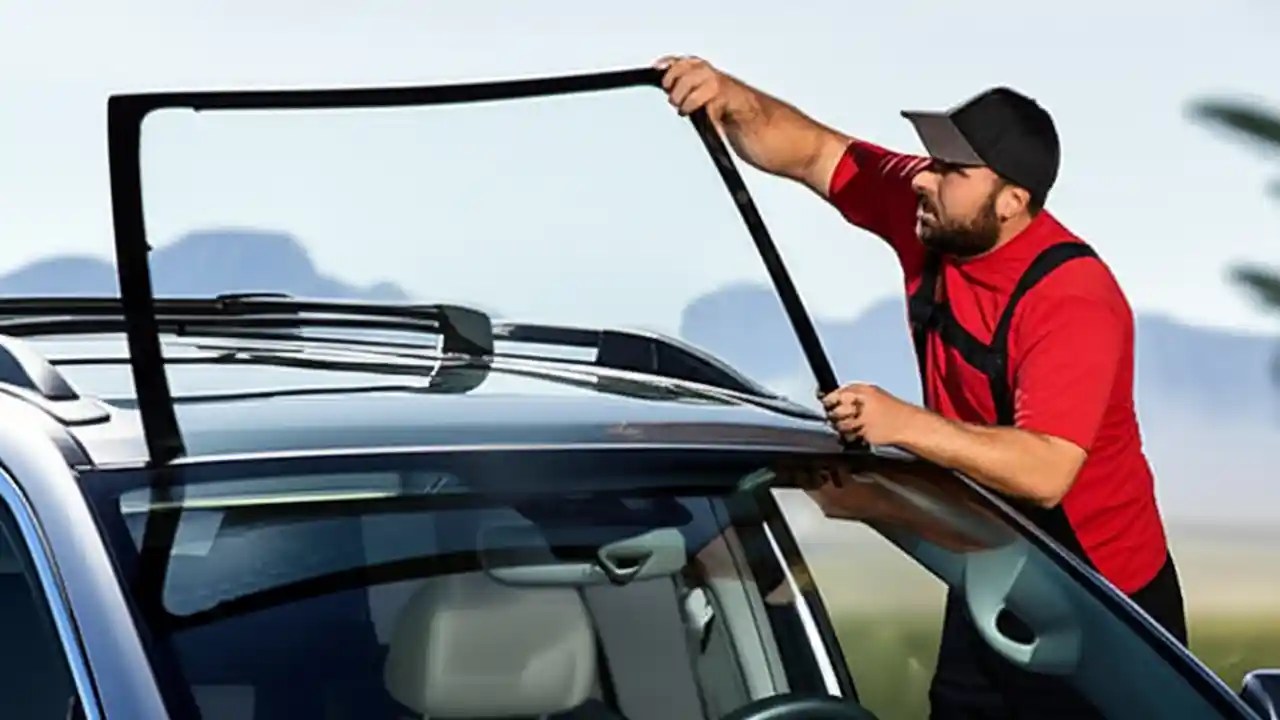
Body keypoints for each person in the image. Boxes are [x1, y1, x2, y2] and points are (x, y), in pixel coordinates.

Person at [656, 55, 1187, 718]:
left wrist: (901, 424)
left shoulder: (1072, 299)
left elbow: (1048, 469)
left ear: (1013, 200)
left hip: (1103, 604)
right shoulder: (935, 218)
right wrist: (727, 95)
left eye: (951, 171)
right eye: (931, 161)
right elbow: (814, 151)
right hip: (991, 566)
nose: (923, 180)